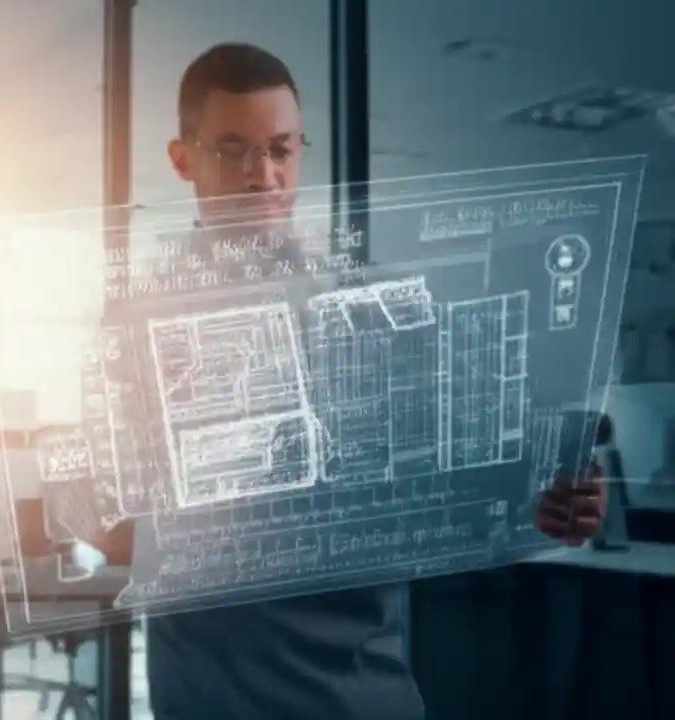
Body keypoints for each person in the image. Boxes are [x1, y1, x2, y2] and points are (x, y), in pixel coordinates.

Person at [137, 42, 607, 720]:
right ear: (183, 159)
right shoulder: (140, 320)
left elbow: (458, 470)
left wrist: (546, 496)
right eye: (231, 150)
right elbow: (127, 524)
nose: (259, 175)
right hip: (215, 696)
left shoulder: (377, 301)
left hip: (358, 695)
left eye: (280, 150)